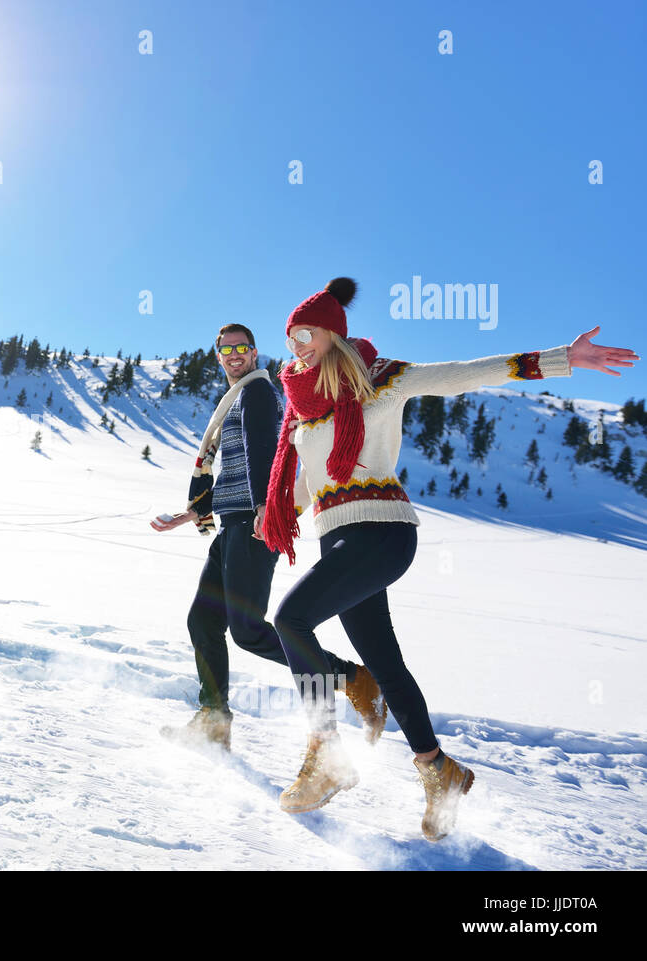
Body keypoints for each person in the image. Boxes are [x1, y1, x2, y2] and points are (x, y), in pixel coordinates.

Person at [256, 277, 638, 840]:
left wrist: (562, 358)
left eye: (306, 334)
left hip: (382, 535)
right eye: (290, 338)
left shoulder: (381, 379)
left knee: (290, 619)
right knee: (384, 664)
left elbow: (465, 373)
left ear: (335, 335)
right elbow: (305, 492)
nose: (297, 347)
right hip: (338, 540)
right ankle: (440, 770)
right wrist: (248, 512)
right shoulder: (303, 413)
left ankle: (326, 758)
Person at [151, 323, 387, 752]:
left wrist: (264, 506)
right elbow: (232, 474)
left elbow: (267, 453)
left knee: (249, 632)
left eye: (242, 347)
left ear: (255, 353)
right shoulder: (238, 398)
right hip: (232, 525)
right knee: (202, 622)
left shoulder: (258, 392)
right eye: (226, 349)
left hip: (253, 527)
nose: (234, 354)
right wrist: (191, 513)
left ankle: (354, 679)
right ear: (218, 355)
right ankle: (213, 717)